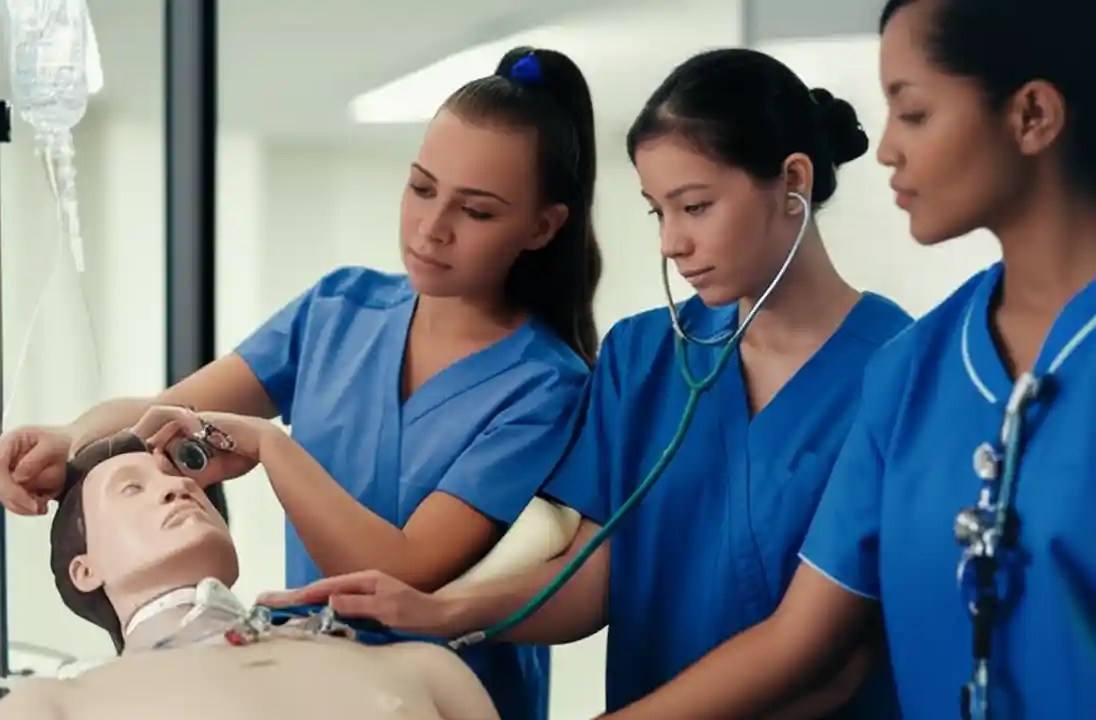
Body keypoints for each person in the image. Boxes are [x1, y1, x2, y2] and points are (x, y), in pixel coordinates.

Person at [469, 0, 1095, 717]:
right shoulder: (919, 369)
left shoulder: (887, 366)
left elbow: (827, 658)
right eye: (658, 211)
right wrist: (436, 612)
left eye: (914, 114)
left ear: (1034, 115)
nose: (887, 148)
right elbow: (782, 631)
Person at [261, 47, 914, 718]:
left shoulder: (904, 374)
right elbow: (597, 576)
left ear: (793, 183)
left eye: (695, 206)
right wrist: (440, 612)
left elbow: (839, 651)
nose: (671, 244)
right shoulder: (642, 357)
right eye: (658, 213)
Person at [0, 45, 600, 720]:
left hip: (440, 694)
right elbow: (170, 409)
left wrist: (271, 448)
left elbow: (404, 567)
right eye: (421, 188)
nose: (432, 228)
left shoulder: (546, 386)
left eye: (476, 212)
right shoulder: (340, 309)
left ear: (542, 227)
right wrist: (69, 436)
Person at [0, 431, 499, 720]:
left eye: (182, 478)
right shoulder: (47, 709)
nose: (177, 489)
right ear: (85, 569)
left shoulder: (424, 670)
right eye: (130, 489)